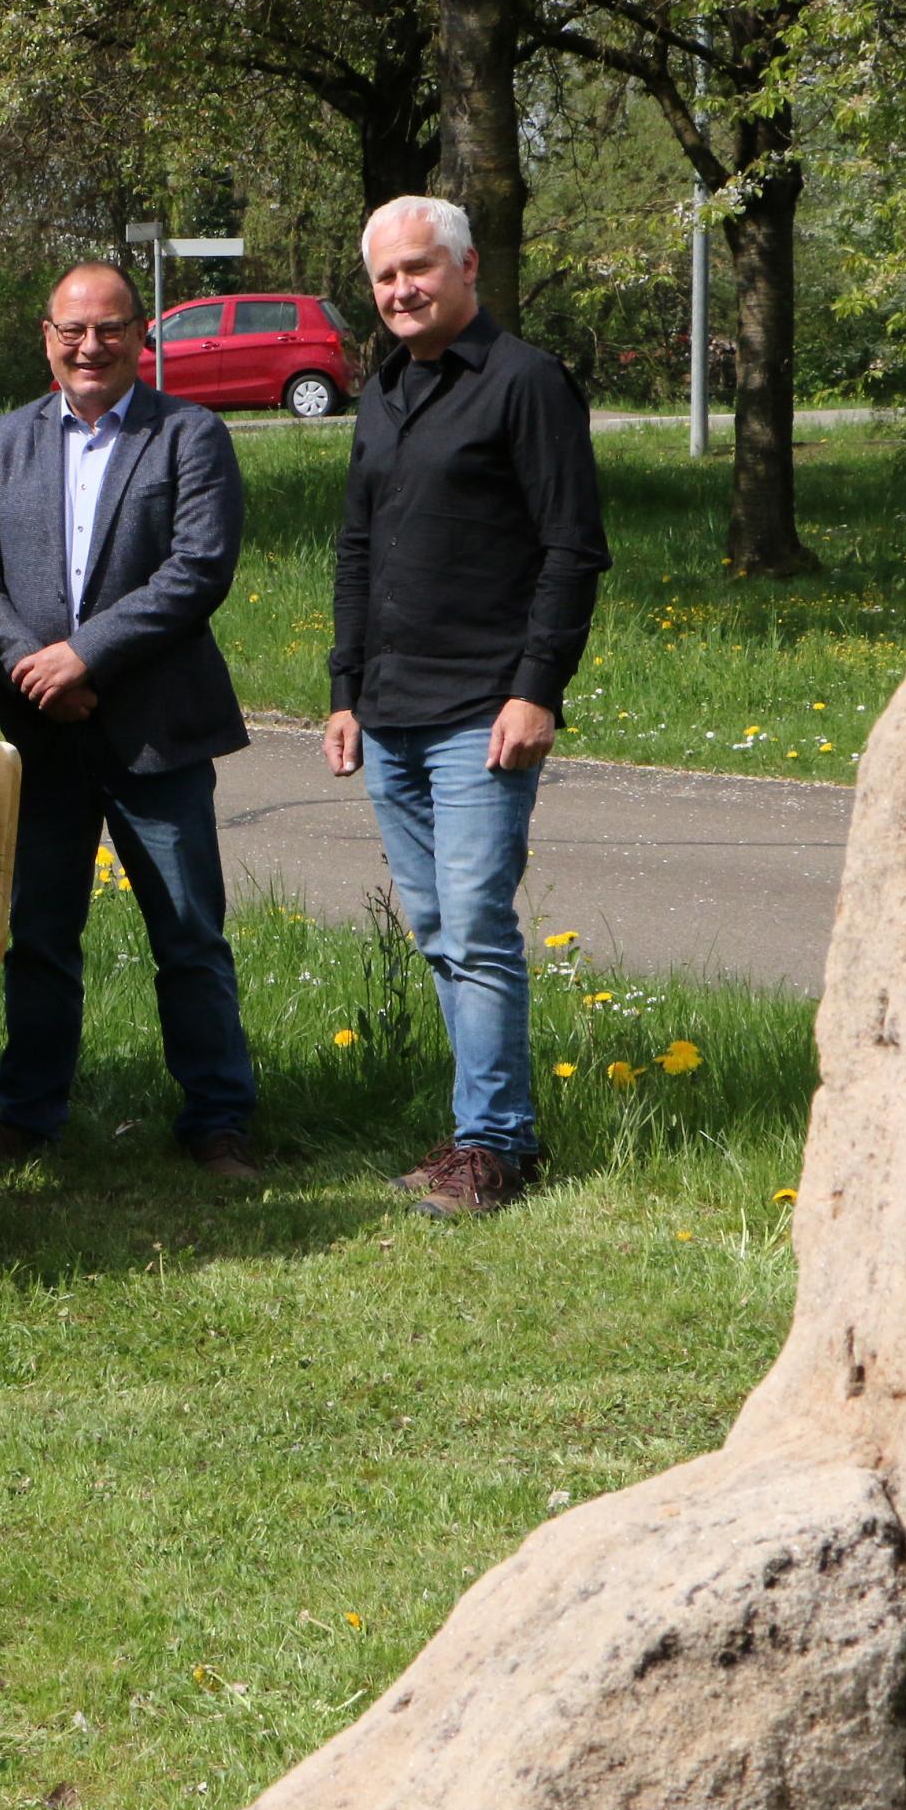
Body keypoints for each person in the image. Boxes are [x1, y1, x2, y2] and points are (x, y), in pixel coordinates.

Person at [324, 196, 610, 1217]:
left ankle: (492, 1146)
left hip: (482, 708)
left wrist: (536, 688)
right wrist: (342, 689)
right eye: (383, 277)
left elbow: (571, 547)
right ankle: (488, 1131)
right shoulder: (384, 389)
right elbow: (357, 548)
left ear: (465, 268)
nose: (400, 290)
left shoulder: (524, 383)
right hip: (390, 707)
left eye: (417, 270)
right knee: (439, 925)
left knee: (477, 925)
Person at [0, 261, 260, 1179]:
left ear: (142, 335)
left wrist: (84, 655)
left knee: (189, 934)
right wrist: (31, 663)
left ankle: (219, 1118)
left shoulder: (191, 435)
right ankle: (28, 1113)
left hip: (155, 731)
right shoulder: (4, 442)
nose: (90, 346)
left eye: (110, 328)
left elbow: (198, 569)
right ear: (46, 336)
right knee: (38, 935)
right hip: (40, 733)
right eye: (71, 330)